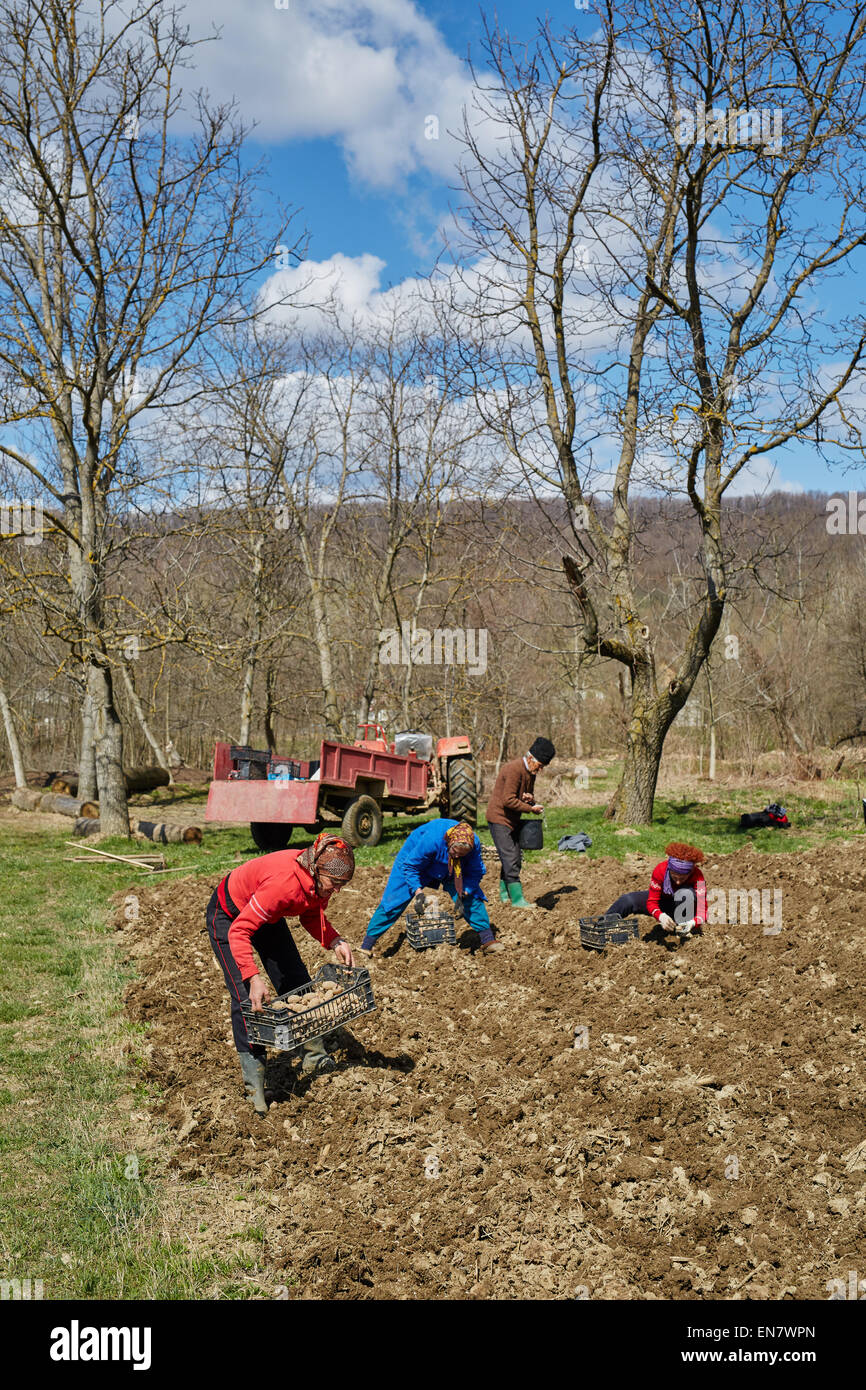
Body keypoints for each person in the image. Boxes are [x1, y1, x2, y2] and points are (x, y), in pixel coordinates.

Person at [206, 832, 357, 1114]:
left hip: (266, 913)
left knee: (295, 980)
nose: (336, 890)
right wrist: (253, 977)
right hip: (229, 915)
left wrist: (334, 940)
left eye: (342, 885)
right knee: (247, 1000)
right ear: (316, 869)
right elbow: (239, 930)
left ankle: (313, 1055)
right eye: (334, 883)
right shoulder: (284, 885)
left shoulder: (317, 883)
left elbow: (311, 913)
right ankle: (255, 1086)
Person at [358, 819, 504, 956]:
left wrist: (464, 893)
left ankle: (488, 939)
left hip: (454, 869)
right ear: (450, 843)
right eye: (455, 852)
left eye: (462, 855)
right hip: (416, 861)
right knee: (395, 899)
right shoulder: (432, 840)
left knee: (472, 899)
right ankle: (367, 945)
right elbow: (410, 867)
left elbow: (475, 872)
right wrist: (419, 893)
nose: (457, 856)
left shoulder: (473, 845)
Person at [485, 736, 556, 909]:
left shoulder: (530, 772)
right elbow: (508, 800)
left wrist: (530, 799)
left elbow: (523, 797)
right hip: (499, 818)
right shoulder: (513, 769)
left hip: (512, 819)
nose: (539, 770)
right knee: (510, 858)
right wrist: (530, 809)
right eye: (539, 766)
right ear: (531, 758)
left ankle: (504, 894)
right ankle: (517, 900)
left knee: (515, 857)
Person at [605, 842, 707, 936]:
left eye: (683, 878)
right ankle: (602, 926)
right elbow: (652, 901)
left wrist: (692, 923)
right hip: (663, 902)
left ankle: (682, 930)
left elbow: (703, 911)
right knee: (628, 900)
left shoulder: (698, 876)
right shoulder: (660, 870)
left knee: (685, 893)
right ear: (669, 870)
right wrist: (660, 916)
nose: (678, 882)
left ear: (690, 872)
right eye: (674, 877)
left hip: (684, 908)